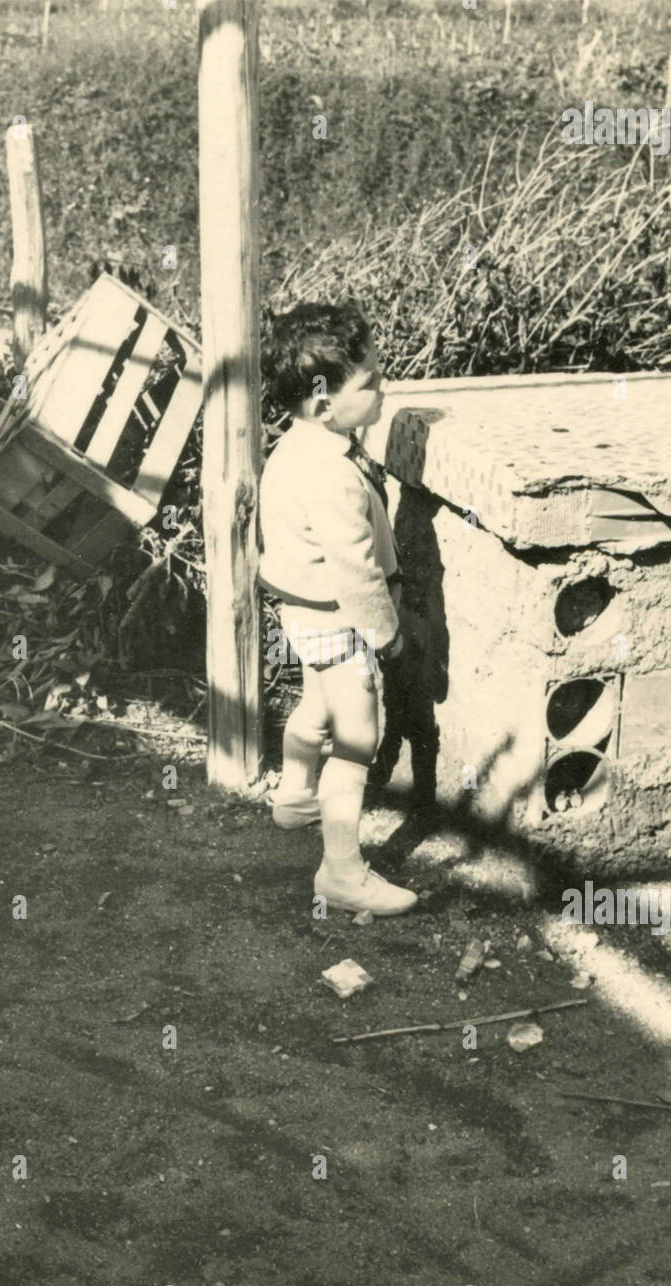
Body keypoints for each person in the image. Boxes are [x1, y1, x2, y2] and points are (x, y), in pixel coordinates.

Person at [259, 301, 417, 916]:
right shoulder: (333, 475)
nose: (384, 388)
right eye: (372, 382)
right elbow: (356, 572)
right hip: (339, 618)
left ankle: (295, 795)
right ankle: (341, 872)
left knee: (317, 702)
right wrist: (388, 638)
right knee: (356, 736)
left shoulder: (295, 451)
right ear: (325, 404)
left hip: (302, 615)